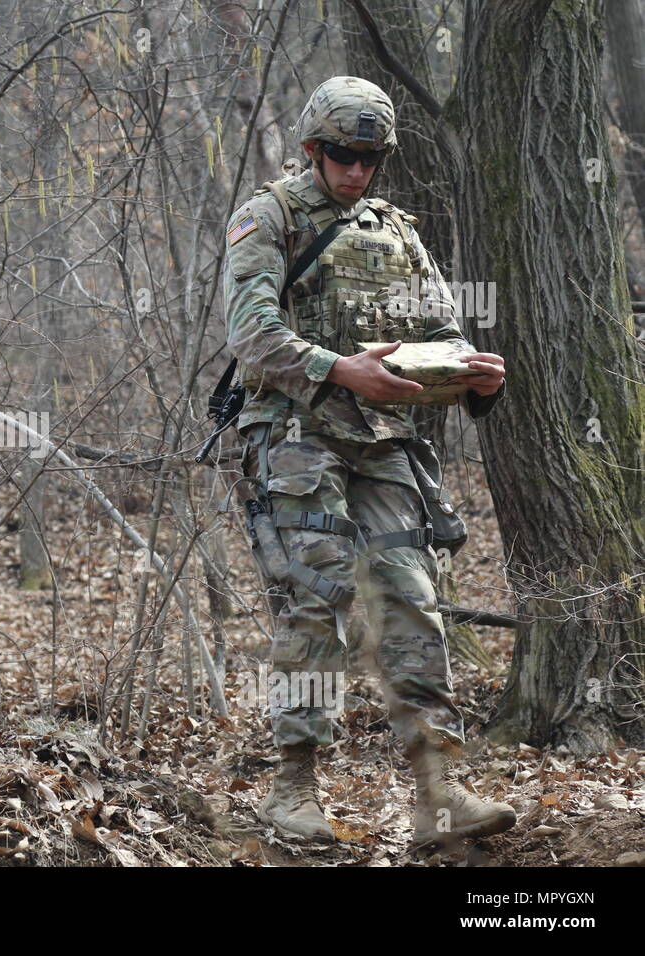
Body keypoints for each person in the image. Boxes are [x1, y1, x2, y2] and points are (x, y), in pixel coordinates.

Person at [221, 76, 516, 845]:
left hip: (383, 440)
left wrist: (472, 378)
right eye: (342, 156)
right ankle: (293, 788)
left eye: (369, 158)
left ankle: (437, 793)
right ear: (313, 150)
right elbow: (249, 332)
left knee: (412, 598)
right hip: (292, 435)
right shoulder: (269, 216)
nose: (355, 172)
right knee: (315, 601)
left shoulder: (394, 230)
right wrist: (336, 368)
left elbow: (441, 333)